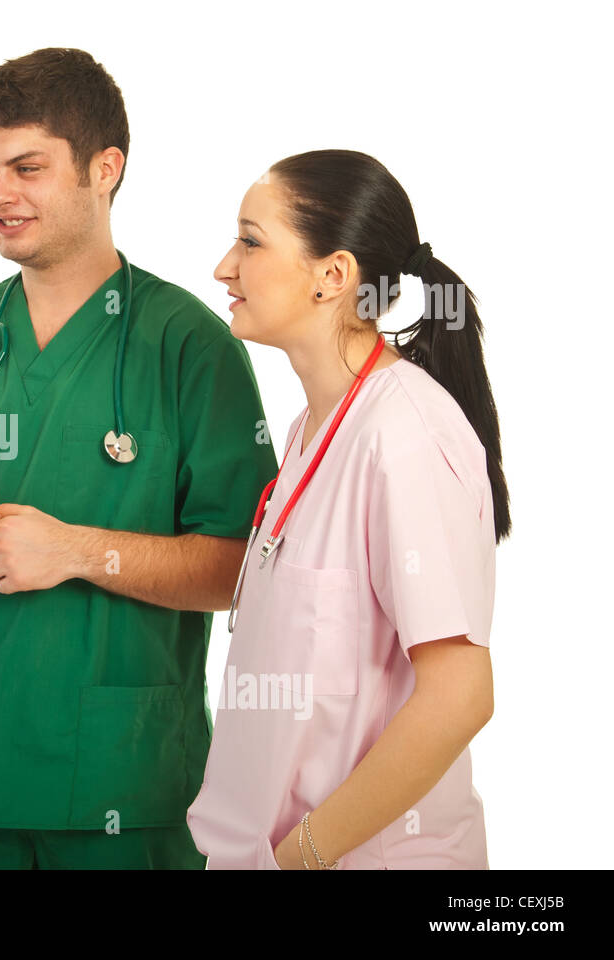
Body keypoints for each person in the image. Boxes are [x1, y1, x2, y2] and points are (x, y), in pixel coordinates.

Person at [0, 49, 278, 869]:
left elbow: (243, 571)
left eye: (28, 168)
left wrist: (78, 552)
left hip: (123, 789)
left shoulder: (189, 347)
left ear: (104, 169)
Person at [187, 150, 510, 869]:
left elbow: (460, 696)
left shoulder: (405, 435)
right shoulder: (314, 429)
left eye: (250, 241)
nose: (223, 268)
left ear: (333, 276)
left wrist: (300, 857)